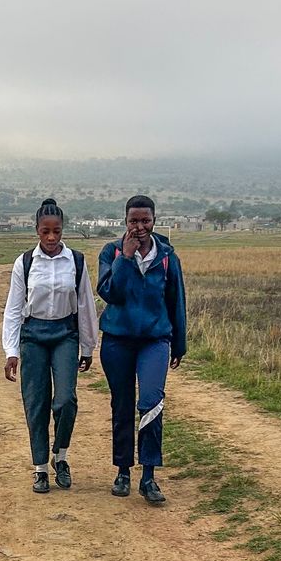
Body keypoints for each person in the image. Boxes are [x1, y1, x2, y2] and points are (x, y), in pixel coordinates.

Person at [3, 198, 99, 493]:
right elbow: (13, 309)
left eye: (56, 231)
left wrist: (87, 346)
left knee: (66, 400)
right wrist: (11, 351)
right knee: (36, 402)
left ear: (62, 229)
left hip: (64, 334)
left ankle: (61, 456)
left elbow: (85, 305)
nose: (51, 238)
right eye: (45, 231)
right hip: (33, 335)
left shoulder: (76, 261)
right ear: (37, 230)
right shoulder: (25, 263)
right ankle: (41, 469)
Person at [96, 195, 187, 504]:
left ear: (154, 221)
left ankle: (149, 476)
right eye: (133, 221)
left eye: (145, 220)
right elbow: (110, 293)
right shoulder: (111, 252)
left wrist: (179, 343)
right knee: (121, 404)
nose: (139, 226)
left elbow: (176, 301)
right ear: (125, 221)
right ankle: (123, 472)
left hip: (154, 341)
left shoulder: (167, 256)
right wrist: (125, 258)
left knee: (151, 403)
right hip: (117, 341)